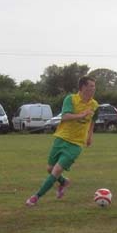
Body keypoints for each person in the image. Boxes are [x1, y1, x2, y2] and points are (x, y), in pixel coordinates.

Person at [26, 76, 98, 207]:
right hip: (61, 138)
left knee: (56, 170)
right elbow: (65, 116)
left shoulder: (94, 104)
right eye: (90, 87)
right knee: (50, 168)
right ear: (82, 88)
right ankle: (63, 182)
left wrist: (90, 136)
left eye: (94, 86)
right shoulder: (70, 99)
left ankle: (36, 197)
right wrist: (81, 115)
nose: (93, 89)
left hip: (76, 144)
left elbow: (93, 120)